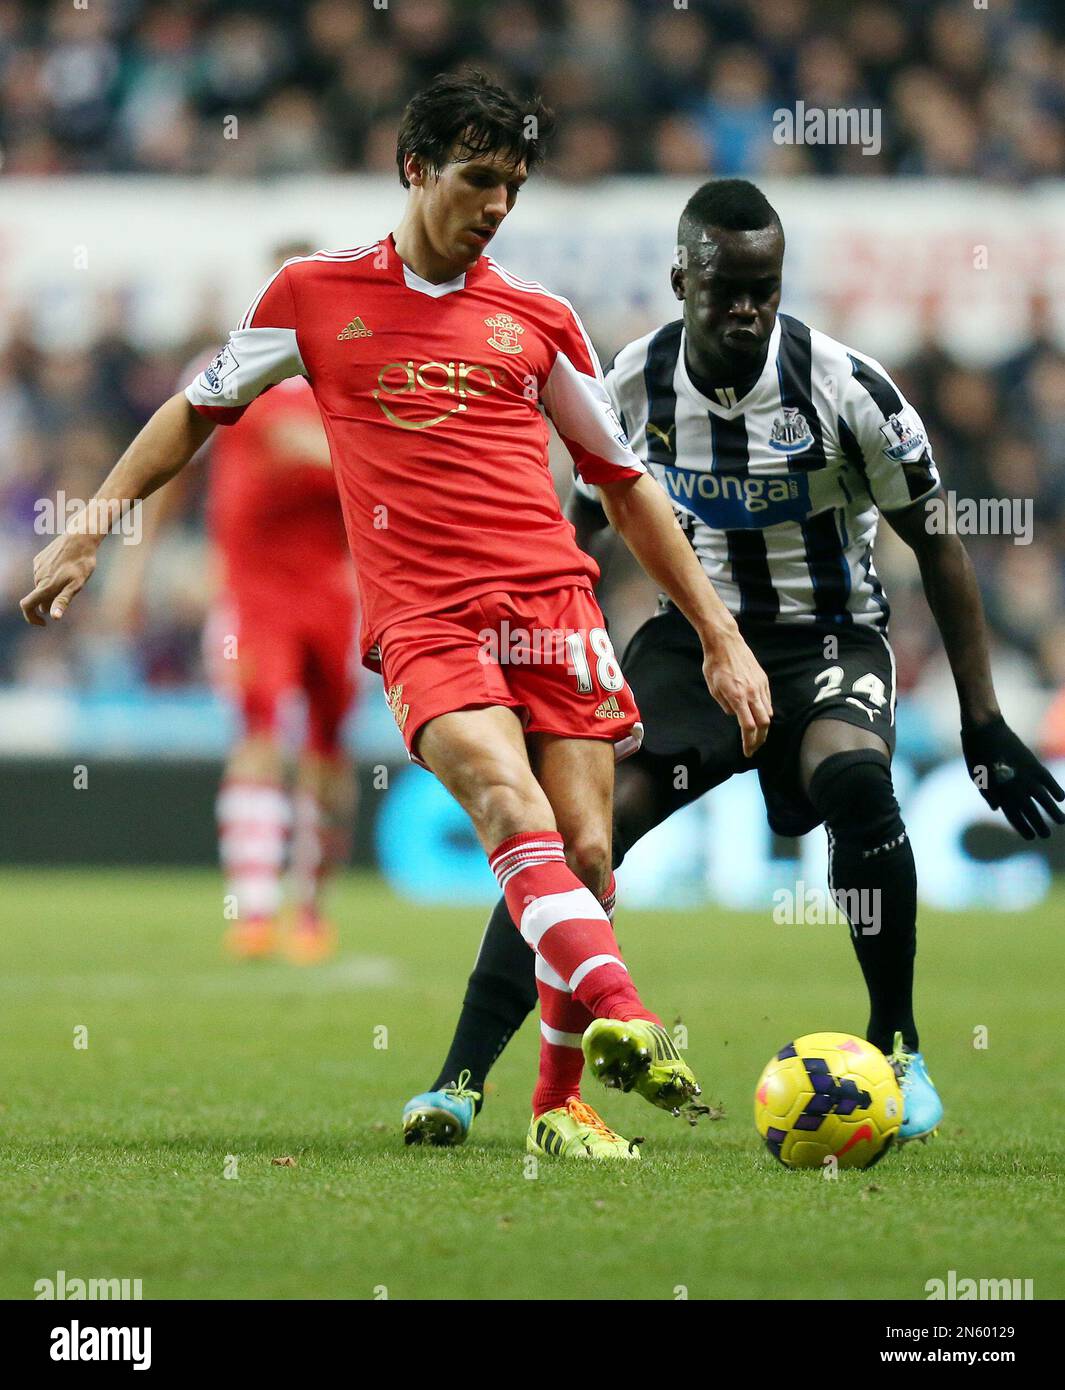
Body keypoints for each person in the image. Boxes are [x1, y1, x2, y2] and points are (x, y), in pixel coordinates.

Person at [20, 77, 772, 1160]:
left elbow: (623, 482)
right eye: (478, 179)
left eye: (512, 186)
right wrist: (94, 526)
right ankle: (631, 1015)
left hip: (553, 602)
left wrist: (719, 632)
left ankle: (558, 1106)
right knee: (506, 802)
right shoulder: (313, 296)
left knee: (591, 855)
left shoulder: (540, 317)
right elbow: (194, 411)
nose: (497, 205)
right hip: (426, 616)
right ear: (415, 168)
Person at [403, 178, 1065, 1152]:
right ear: (681, 280)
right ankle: (458, 1079)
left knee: (854, 781)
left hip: (828, 637)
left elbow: (942, 547)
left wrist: (983, 721)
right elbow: (576, 527)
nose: (750, 308)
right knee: (582, 830)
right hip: (693, 646)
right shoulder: (628, 381)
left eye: (767, 287)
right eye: (728, 289)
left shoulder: (846, 388)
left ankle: (900, 1047)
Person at [110, 242, 359, 964]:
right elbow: (170, 470)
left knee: (325, 751)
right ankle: (253, 910)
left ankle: (311, 911)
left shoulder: (345, 381)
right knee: (256, 735)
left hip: (333, 591)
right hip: (252, 591)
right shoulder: (226, 371)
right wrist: (134, 573)